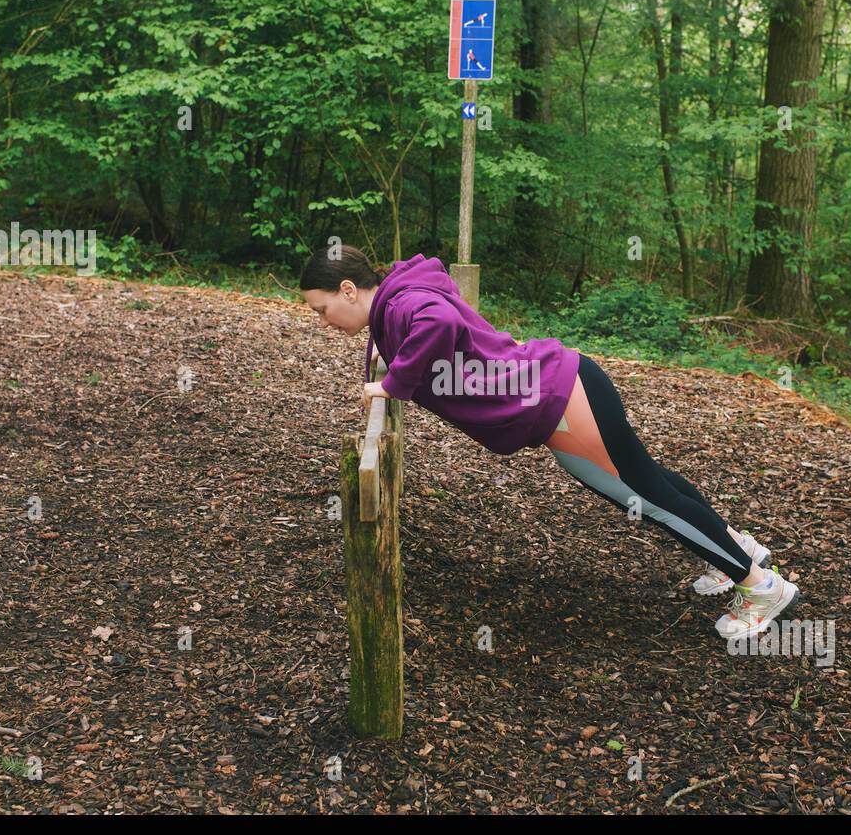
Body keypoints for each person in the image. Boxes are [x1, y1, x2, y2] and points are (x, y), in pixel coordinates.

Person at [300, 245, 800, 640]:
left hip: (560, 401)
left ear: (348, 289)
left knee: (650, 500)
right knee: (655, 486)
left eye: (322, 310)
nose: (324, 322)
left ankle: (760, 587)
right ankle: (737, 549)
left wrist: (393, 384)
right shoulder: (397, 300)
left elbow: (440, 323)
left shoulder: (405, 302)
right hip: (563, 390)